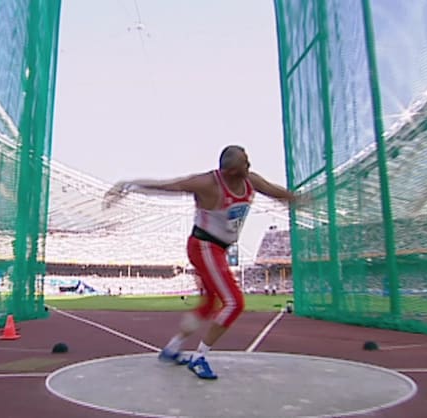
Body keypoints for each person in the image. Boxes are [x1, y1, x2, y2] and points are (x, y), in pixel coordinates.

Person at [105, 145, 300, 379]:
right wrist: (131, 185)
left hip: (219, 249)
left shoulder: (251, 179)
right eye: (243, 165)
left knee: (210, 304)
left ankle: (172, 349)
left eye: (248, 162)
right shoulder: (208, 184)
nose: (248, 167)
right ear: (229, 171)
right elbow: (171, 185)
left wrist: (297, 198)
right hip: (204, 246)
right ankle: (199, 358)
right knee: (234, 303)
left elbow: (273, 190)